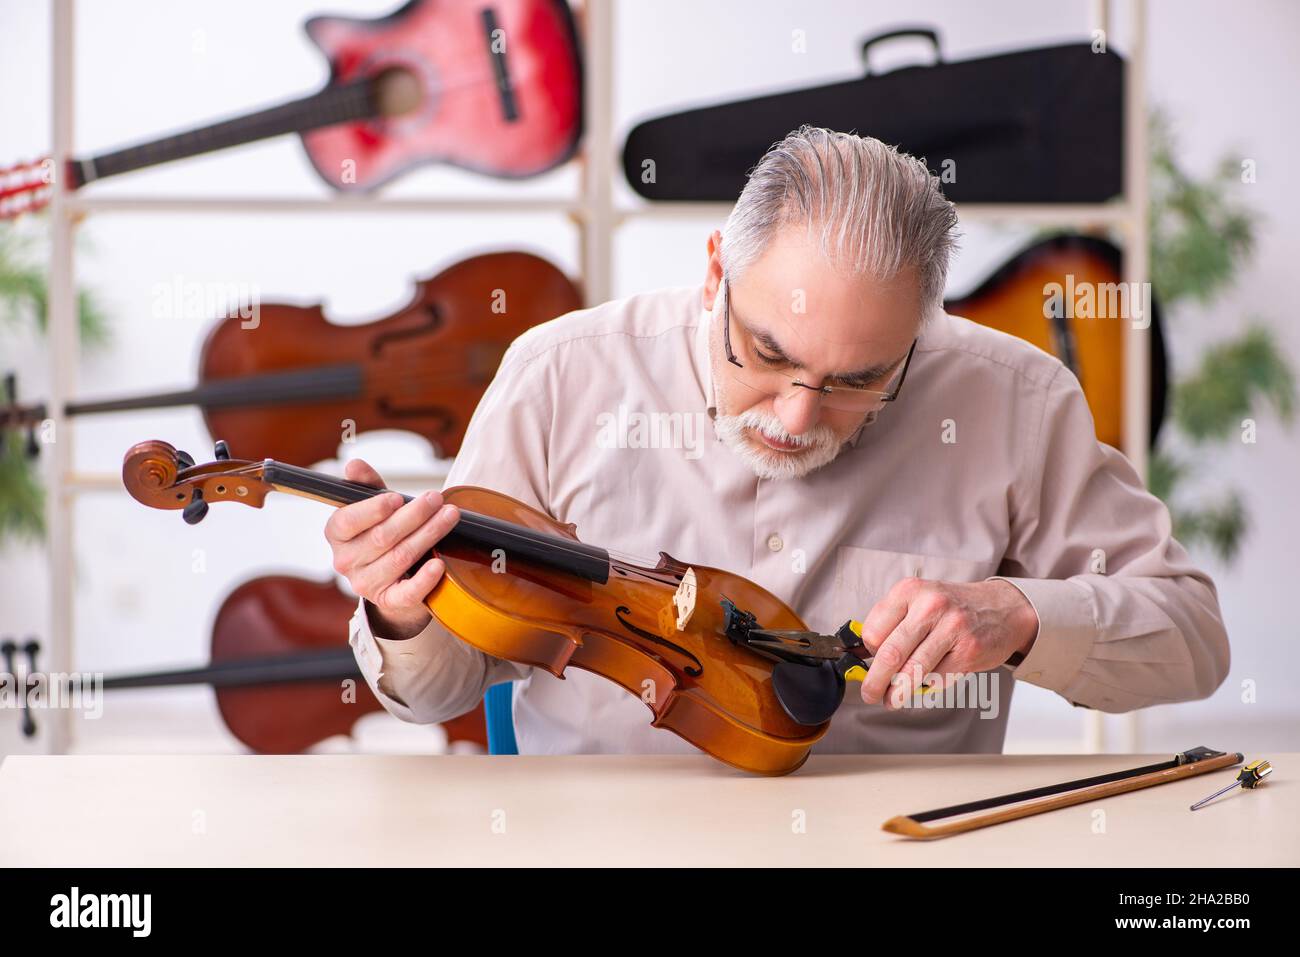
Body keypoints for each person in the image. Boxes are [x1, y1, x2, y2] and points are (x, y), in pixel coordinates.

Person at [325, 126, 1229, 755]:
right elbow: (440, 689)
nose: (795, 418)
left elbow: (1193, 638)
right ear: (717, 268)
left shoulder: (1014, 396)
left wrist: (1023, 617)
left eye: (857, 381)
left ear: (925, 327)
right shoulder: (562, 376)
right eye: (766, 354)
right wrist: (402, 609)